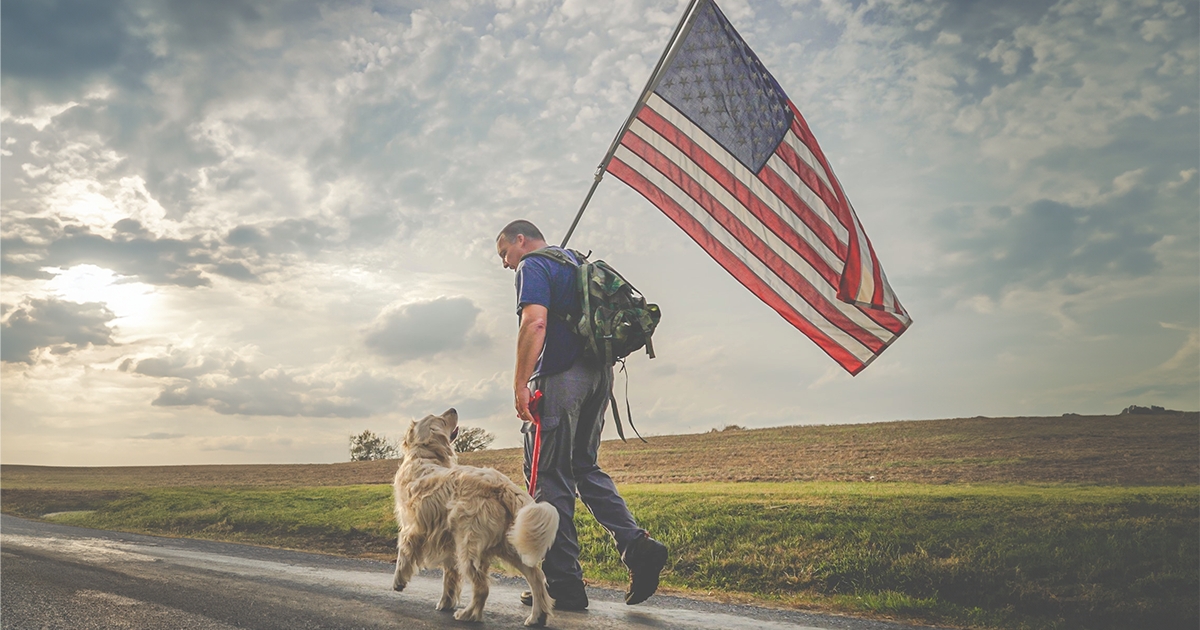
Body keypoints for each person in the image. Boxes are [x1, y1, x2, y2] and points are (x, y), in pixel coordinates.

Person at [496, 219, 668, 611]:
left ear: (520, 240)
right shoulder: (574, 261)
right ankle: (637, 546)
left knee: (549, 478)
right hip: (598, 375)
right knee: (584, 469)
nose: (506, 263)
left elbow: (535, 321)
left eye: (504, 253)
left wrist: (521, 382)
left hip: (558, 377)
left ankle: (563, 584)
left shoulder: (533, 266)